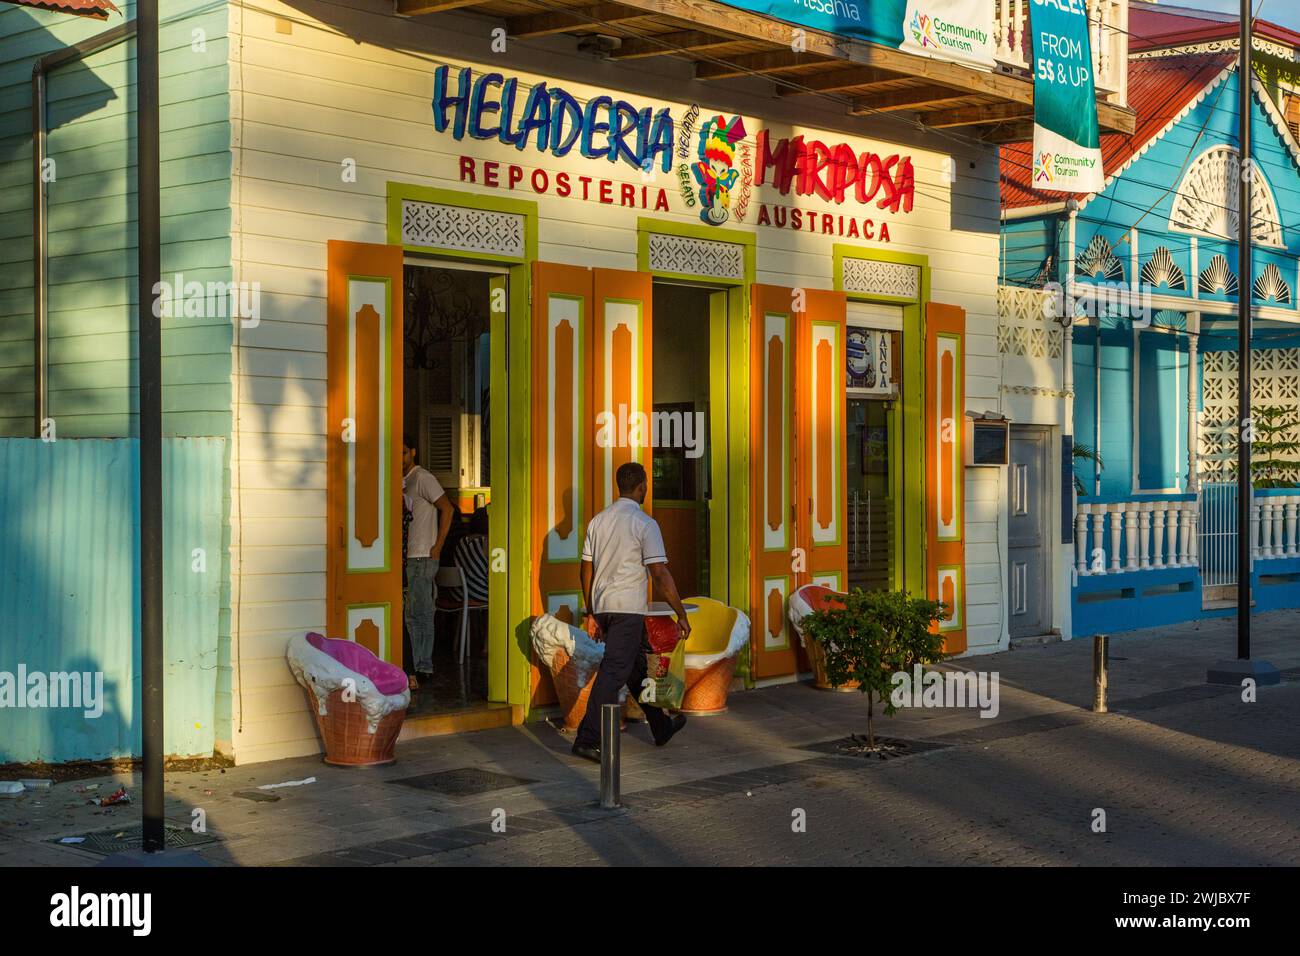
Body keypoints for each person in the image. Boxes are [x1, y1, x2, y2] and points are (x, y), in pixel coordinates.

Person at [572, 461, 690, 762]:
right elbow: (660, 574)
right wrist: (681, 613)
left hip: (605, 607)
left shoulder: (598, 521)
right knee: (613, 673)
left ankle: (661, 726)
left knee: (636, 669)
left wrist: (592, 609)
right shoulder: (645, 524)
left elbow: (586, 570)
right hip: (627, 610)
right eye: (646, 486)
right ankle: (587, 739)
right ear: (642, 487)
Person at [402, 435, 453, 680]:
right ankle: (416, 664)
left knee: (421, 613)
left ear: (413, 452)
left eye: (403, 453)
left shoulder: (422, 478)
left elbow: (448, 508)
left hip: (423, 555)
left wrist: (438, 545)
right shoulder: (404, 481)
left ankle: (423, 666)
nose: (400, 458)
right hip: (410, 556)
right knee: (412, 614)